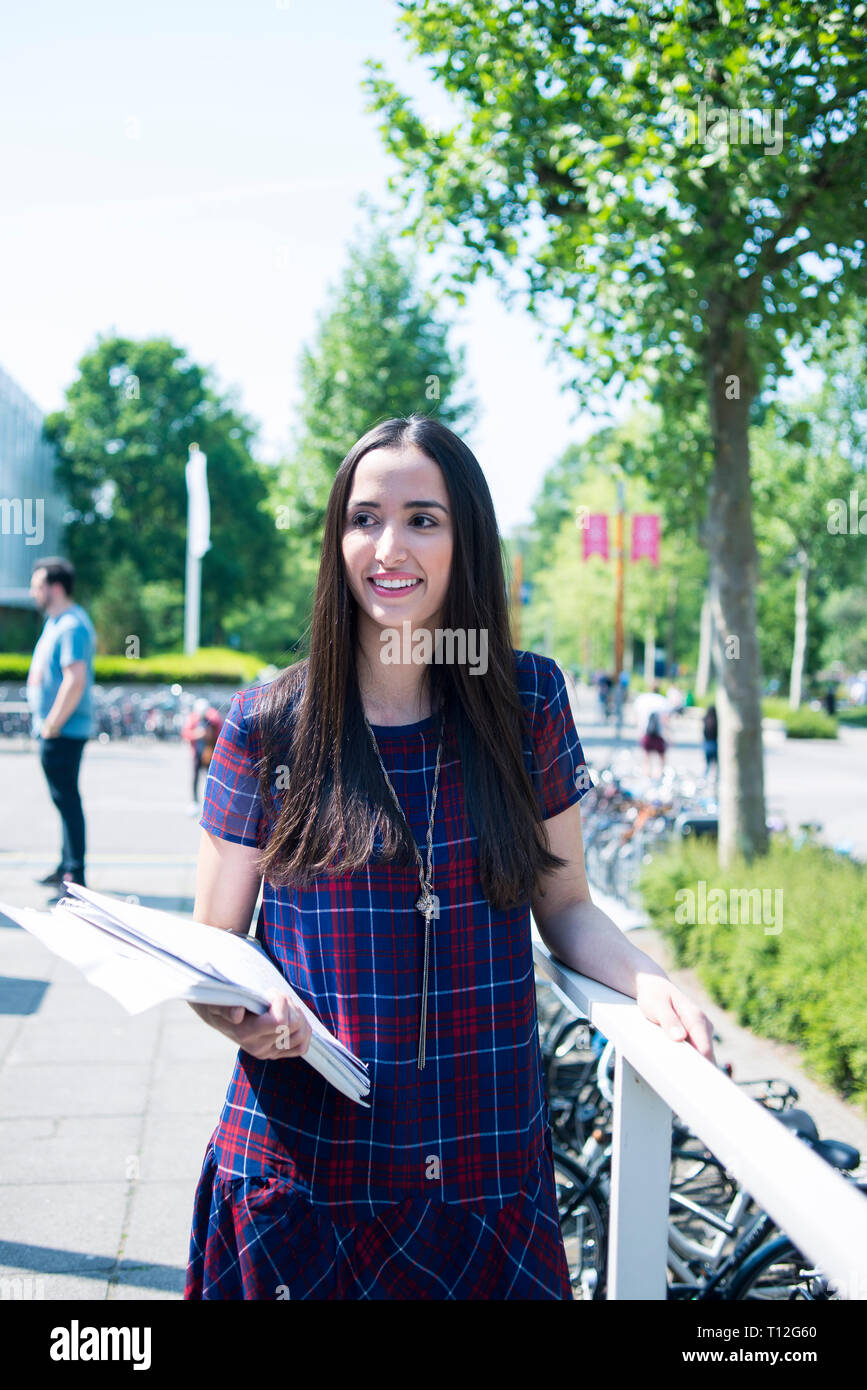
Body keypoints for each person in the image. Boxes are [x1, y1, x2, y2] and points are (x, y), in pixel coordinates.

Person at [183, 414, 715, 1301]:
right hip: (304, 1172)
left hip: (481, 1170)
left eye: (422, 518)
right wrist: (242, 1014)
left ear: (465, 539)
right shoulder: (267, 723)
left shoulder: (527, 699)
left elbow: (568, 906)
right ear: (336, 538)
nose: (389, 545)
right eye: (364, 518)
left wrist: (647, 981)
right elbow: (212, 949)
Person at [26, 558, 95, 901]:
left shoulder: (71, 626)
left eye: (37, 585)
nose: (32, 592)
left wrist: (52, 723)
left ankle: (75, 873)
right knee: (63, 799)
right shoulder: (57, 622)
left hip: (63, 731)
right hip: (56, 729)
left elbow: (75, 679)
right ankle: (66, 865)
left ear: (54, 588)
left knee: (67, 800)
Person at [181, 697, 224, 811]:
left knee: (212, 779)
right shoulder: (192, 718)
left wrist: (211, 735)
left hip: (210, 753)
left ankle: (213, 803)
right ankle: (194, 801)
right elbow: (185, 733)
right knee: (195, 777)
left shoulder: (214, 718)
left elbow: (221, 735)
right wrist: (197, 734)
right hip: (197, 752)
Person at [632, 680, 669, 779]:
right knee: (661, 757)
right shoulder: (663, 700)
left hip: (645, 733)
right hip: (659, 734)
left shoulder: (642, 699)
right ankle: (658, 775)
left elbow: (636, 718)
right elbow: (666, 720)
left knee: (646, 757)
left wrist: (638, 730)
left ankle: (647, 776)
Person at [702, 703, 718, 777]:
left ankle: (705, 777)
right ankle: (714, 779)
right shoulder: (716, 721)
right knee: (715, 765)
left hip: (707, 744)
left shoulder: (705, 719)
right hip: (714, 744)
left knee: (707, 765)